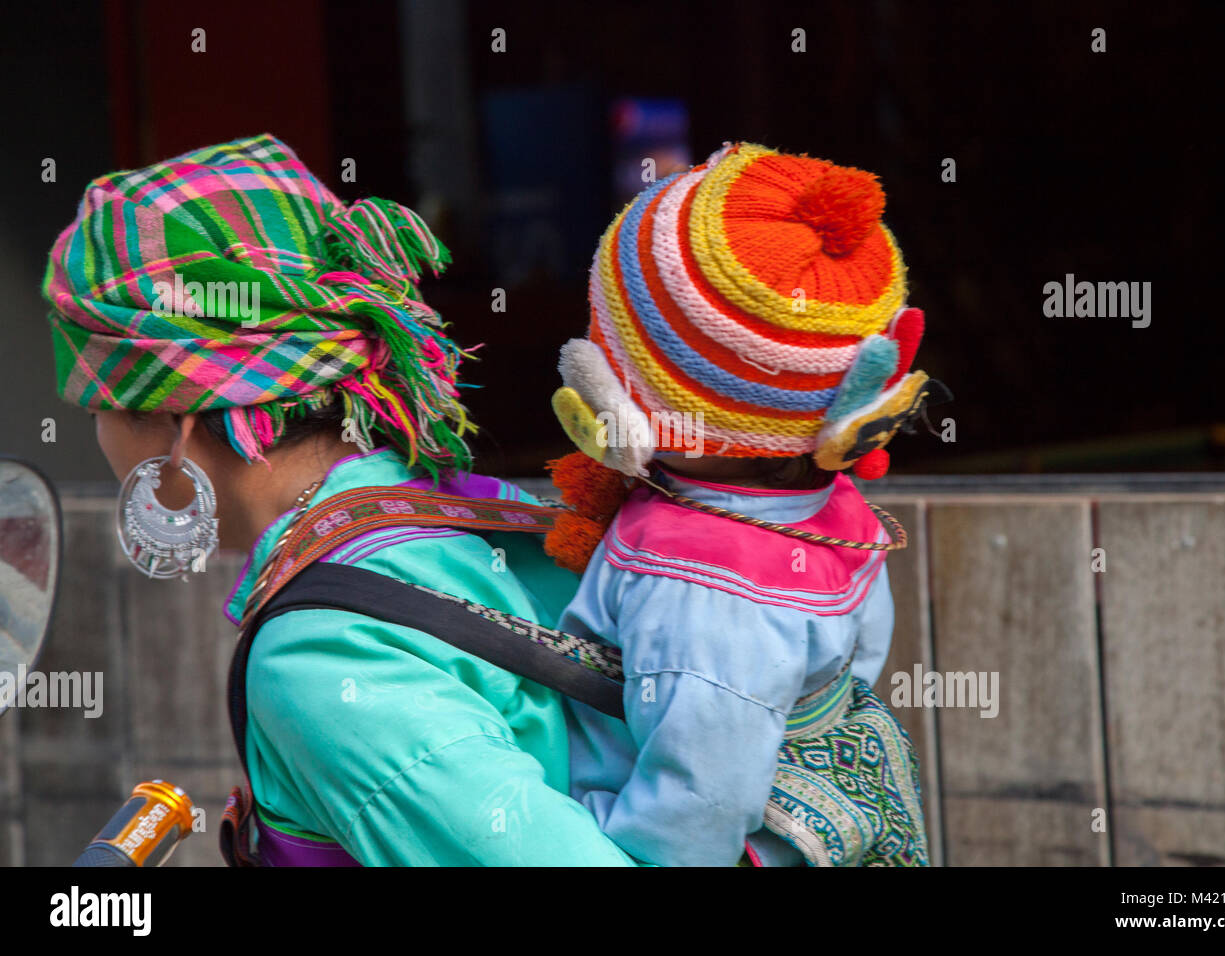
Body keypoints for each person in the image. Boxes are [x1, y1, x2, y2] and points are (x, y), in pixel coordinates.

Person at [42, 133, 635, 866]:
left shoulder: (321, 654)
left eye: (93, 406)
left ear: (171, 416)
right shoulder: (486, 514)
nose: (99, 438)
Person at [543, 142, 935, 866]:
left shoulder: (701, 584)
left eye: (606, 337)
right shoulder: (828, 506)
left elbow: (698, 801)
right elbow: (858, 663)